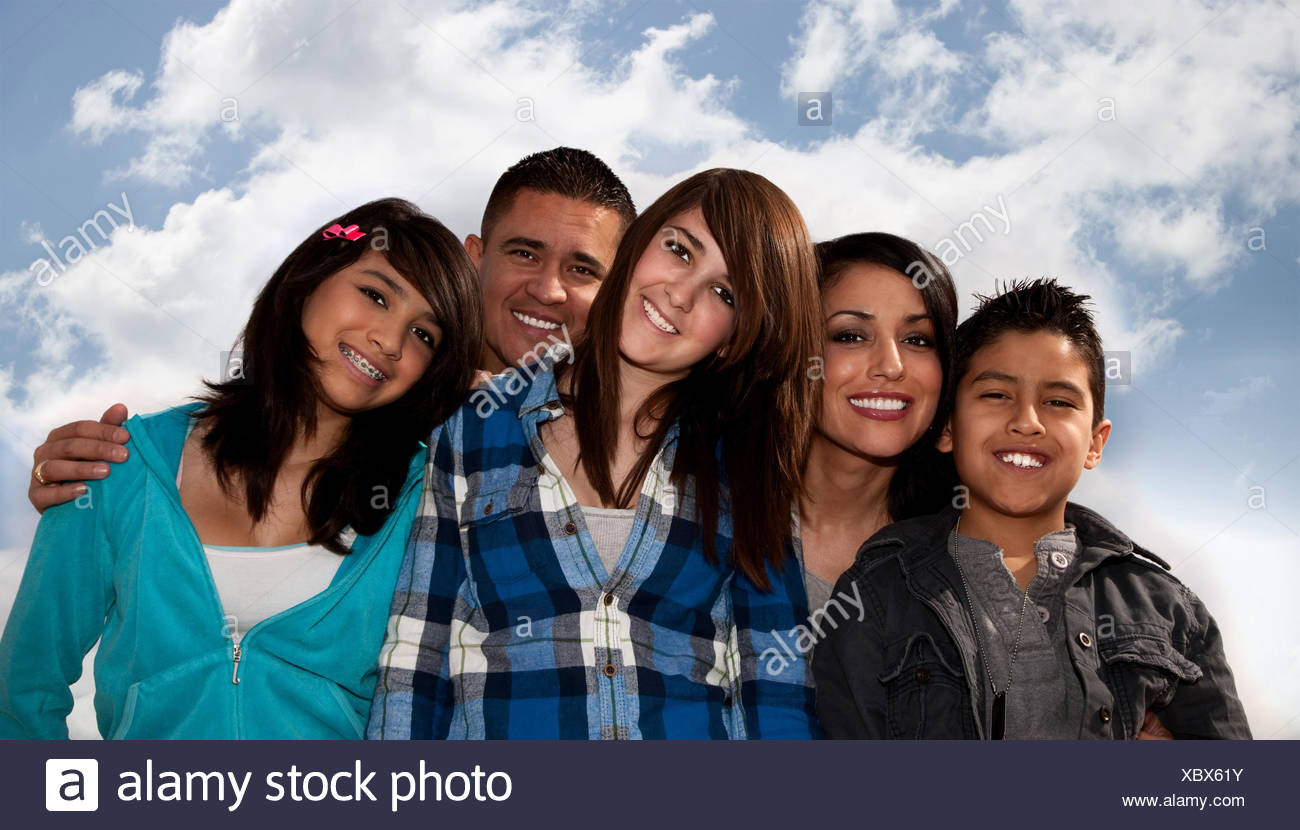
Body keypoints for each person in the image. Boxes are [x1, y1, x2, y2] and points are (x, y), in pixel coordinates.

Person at [0, 199, 483, 738]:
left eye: (424, 335)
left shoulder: (428, 500)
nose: (390, 342)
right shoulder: (125, 460)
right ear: (308, 277)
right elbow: (22, 693)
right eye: (374, 295)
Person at [367, 168, 823, 739]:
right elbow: (418, 654)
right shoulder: (474, 429)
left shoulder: (749, 466)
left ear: (735, 334)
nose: (680, 295)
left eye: (724, 292)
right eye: (679, 250)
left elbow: (775, 683)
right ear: (638, 245)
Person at [25, 147, 635, 511]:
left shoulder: (637, 433)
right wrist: (87, 484)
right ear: (475, 258)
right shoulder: (375, 389)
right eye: (524, 254)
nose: (549, 290)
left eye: (582, 269)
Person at [813, 278, 1251, 739]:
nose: (1026, 421)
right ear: (947, 427)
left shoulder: (1169, 610)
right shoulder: (877, 593)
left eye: (1058, 402)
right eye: (997, 395)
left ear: (1095, 443)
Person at [795, 234, 957, 618]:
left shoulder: (960, 559)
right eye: (850, 336)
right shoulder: (699, 512)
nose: (892, 364)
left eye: (917, 339)